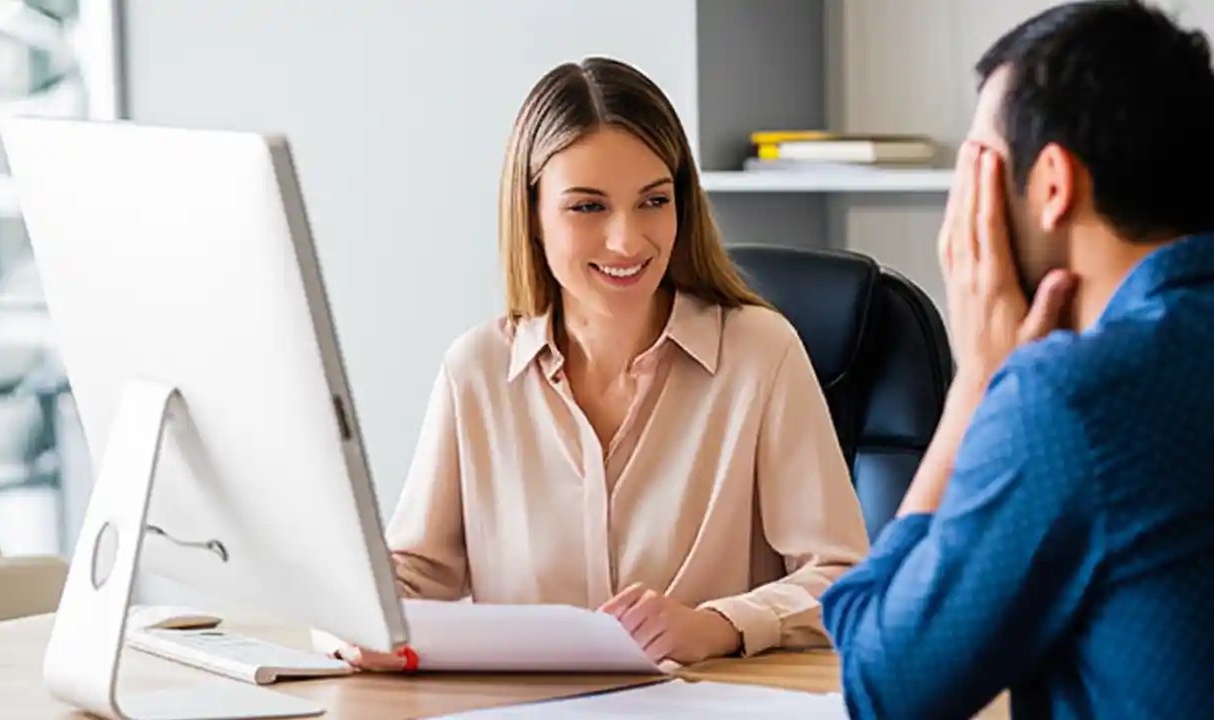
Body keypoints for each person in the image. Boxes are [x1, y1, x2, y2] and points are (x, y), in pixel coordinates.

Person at [340, 56, 869, 669]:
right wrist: (359, 624)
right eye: (588, 207)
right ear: (532, 216)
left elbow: (842, 579)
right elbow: (414, 575)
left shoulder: (760, 353)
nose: (627, 240)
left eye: (653, 201)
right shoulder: (477, 370)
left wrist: (718, 625)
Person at [819, 2, 1214, 718]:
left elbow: (883, 686)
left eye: (979, 165)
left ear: (1053, 184)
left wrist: (976, 383)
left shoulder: (1073, 397)